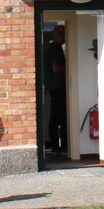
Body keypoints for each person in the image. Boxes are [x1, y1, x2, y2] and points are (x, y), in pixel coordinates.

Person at [43, 25, 67, 154]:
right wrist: (70, 68)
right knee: (61, 117)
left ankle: (55, 146)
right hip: (58, 86)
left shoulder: (51, 48)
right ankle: (61, 147)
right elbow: (56, 68)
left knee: (55, 116)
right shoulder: (55, 49)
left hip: (53, 86)